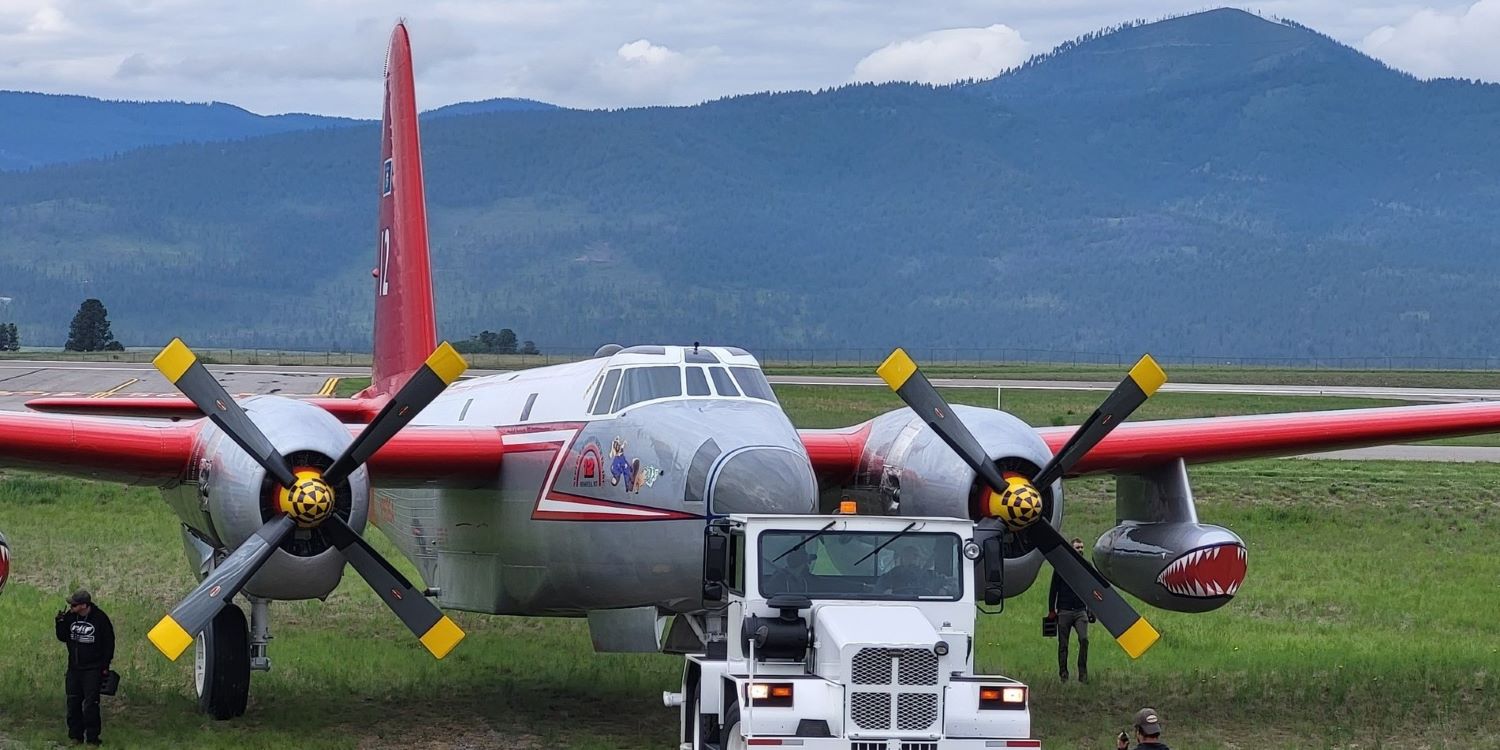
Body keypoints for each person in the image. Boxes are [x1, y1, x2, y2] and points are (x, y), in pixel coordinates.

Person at [55, 589, 113, 746]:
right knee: (73, 703)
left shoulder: (100, 619)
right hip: (74, 668)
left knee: (90, 705)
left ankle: (93, 739)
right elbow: (62, 637)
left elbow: (109, 643)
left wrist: (105, 665)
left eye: (74, 605)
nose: (71, 607)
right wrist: (59, 623)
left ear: (84, 605)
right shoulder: (70, 617)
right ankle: (75, 736)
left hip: (93, 669)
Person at [1048, 537, 1091, 682]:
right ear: (1071, 549)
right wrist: (1051, 610)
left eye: (1081, 547)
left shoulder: (1086, 566)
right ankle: (1063, 674)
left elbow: (1092, 590)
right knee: (1063, 645)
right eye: (1077, 547)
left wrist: (1091, 610)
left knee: (1084, 639)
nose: (1080, 550)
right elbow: (1053, 590)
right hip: (1064, 611)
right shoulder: (1061, 568)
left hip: (1080, 611)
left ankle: (1083, 673)